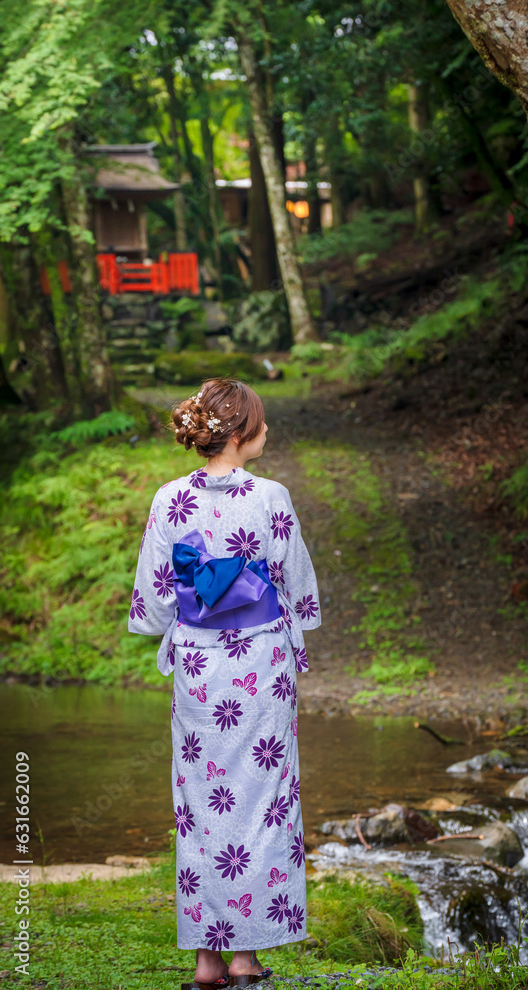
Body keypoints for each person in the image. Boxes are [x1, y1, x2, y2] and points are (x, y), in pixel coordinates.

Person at [128, 377, 321, 990]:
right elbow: (295, 588)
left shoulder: (167, 500)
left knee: (202, 809)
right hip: (260, 666)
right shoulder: (270, 498)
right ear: (239, 432)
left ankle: (207, 962)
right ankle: (246, 959)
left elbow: (157, 605)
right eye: (261, 423)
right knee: (262, 806)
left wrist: (197, 608)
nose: (268, 432)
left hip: (199, 672)